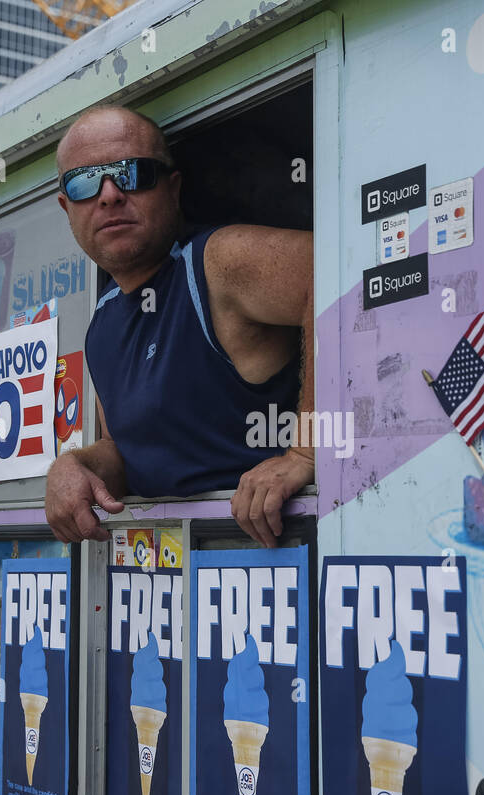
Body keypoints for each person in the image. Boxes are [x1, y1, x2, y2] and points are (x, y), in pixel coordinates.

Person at [45, 105, 314, 548]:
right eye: (84, 182)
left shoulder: (215, 262)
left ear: (173, 188)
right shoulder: (102, 324)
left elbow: (342, 269)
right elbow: (123, 450)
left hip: (282, 558)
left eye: (133, 174)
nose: (109, 195)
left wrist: (306, 452)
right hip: (172, 578)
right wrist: (72, 467)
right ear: (66, 207)